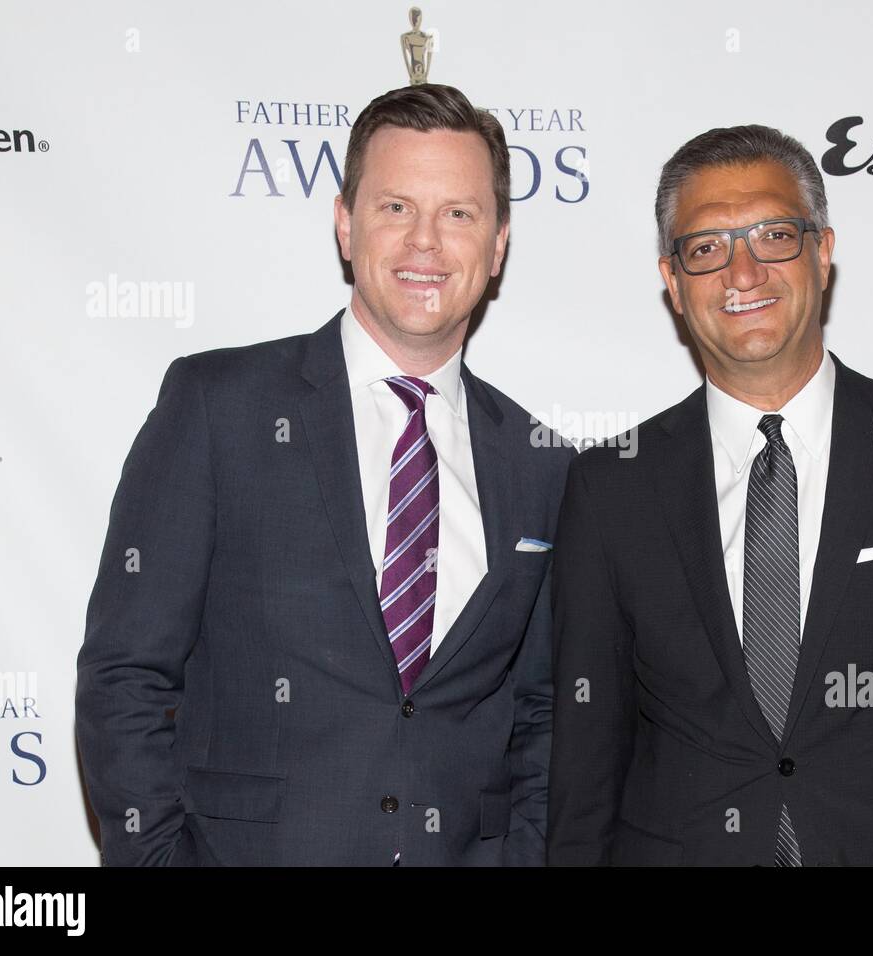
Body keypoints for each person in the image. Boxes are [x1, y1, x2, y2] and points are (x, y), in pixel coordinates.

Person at [76, 84, 573, 866]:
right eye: (396, 207)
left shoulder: (541, 461)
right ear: (346, 223)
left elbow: (544, 714)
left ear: (499, 243)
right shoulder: (219, 408)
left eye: (459, 213)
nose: (426, 243)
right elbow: (126, 674)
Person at [547, 124, 873, 866]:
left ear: (822, 251)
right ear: (673, 279)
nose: (743, 272)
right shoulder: (609, 488)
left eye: (773, 235)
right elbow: (585, 769)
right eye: (707, 247)